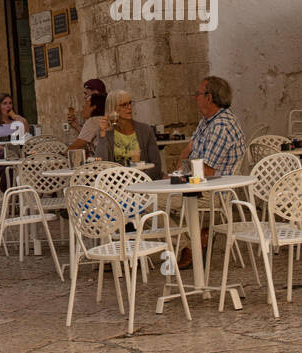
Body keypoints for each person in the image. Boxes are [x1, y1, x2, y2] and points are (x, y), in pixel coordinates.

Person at [175, 76, 246, 268]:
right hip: (197, 185)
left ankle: (192, 243)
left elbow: (205, 169)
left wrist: (179, 174)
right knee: (158, 202)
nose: (194, 97)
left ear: (209, 97)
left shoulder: (221, 124)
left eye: (197, 94)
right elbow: (187, 152)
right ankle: (196, 240)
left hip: (213, 192)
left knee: (152, 204)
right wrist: (179, 172)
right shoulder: (206, 122)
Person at [94, 90, 161, 178]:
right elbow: (101, 164)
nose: (129, 107)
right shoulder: (106, 132)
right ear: (113, 108)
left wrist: (139, 181)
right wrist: (102, 135)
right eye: (124, 105)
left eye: (130, 103)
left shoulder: (145, 130)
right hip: (116, 183)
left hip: (144, 181)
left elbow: (156, 164)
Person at [0, 92, 30, 190]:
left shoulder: (16, 121)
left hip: (17, 152)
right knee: (10, 167)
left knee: (33, 161)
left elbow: (26, 135)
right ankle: (8, 189)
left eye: (10, 103)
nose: (8, 106)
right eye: (4, 103)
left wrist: (19, 118)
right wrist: (9, 152)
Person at [66, 89, 107, 158]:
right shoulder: (103, 119)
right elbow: (87, 136)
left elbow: (77, 145)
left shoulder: (93, 121)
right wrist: (75, 125)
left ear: (93, 107)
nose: (83, 107)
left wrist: (60, 156)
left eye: (86, 104)